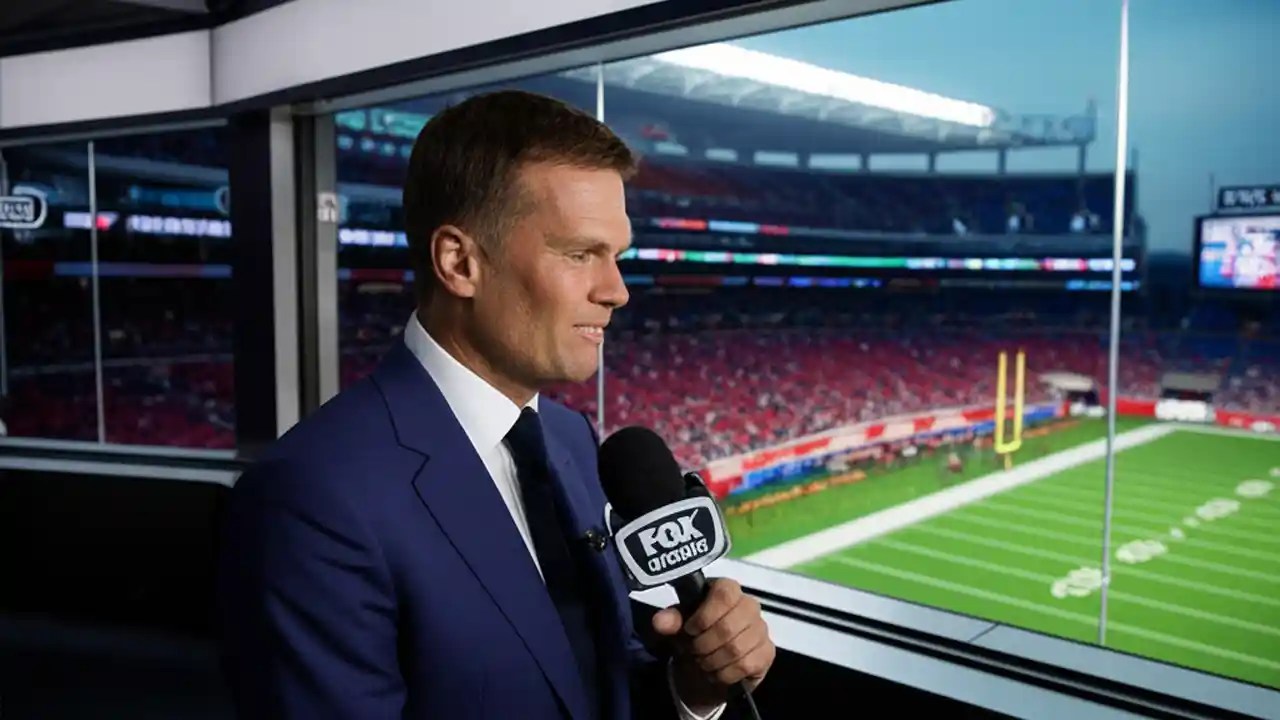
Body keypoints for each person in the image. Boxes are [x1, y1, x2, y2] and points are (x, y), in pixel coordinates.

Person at [215, 89, 775, 719]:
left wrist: (691, 688)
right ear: (460, 262)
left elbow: (590, 679)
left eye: (616, 255)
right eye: (579, 253)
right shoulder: (311, 498)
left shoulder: (569, 437)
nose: (616, 290)